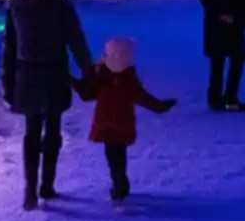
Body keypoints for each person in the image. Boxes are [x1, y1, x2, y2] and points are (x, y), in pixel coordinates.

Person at [2, 0, 93, 210]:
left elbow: (9, 46)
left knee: (32, 132)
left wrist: (7, 81)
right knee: (52, 129)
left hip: (27, 73)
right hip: (54, 72)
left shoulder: (17, 5)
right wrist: (89, 70)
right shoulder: (61, 6)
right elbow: (76, 42)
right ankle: (46, 185)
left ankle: (31, 190)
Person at [75, 37, 176, 201]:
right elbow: (143, 98)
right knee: (118, 153)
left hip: (106, 122)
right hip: (121, 123)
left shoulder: (102, 74)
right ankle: (120, 182)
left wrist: (73, 81)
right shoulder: (126, 78)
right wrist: (160, 106)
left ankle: (119, 183)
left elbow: (87, 93)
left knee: (112, 154)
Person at [196, 0, 245, 111]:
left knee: (218, 62)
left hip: (214, 22)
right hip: (229, 22)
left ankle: (215, 98)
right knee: (235, 59)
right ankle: (229, 97)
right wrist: (229, 13)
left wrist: (216, 12)